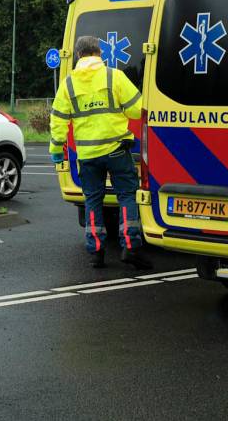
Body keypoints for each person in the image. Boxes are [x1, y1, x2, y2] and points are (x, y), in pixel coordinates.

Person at [49, 35, 151, 270]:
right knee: (126, 195)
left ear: (77, 56)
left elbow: (58, 121)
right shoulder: (113, 76)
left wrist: (57, 151)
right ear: (99, 53)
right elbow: (137, 110)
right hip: (116, 150)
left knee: (92, 200)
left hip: (87, 156)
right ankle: (131, 247)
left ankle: (96, 252)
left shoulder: (69, 83)